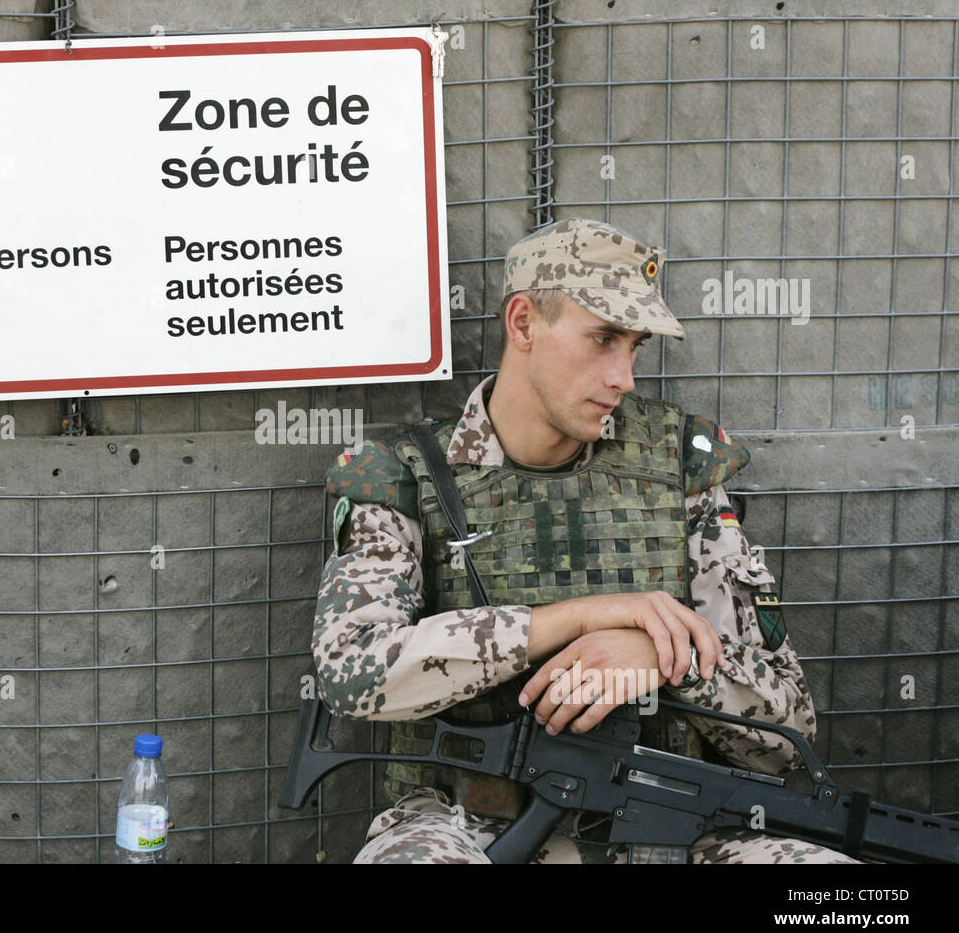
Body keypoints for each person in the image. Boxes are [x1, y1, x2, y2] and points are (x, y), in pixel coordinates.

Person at [311, 217, 856, 863]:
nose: (624, 377)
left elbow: (788, 733)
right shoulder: (406, 473)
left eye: (634, 347)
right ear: (523, 324)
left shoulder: (679, 467)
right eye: (603, 340)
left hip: (669, 829)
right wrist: (577, 621)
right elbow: (351, 671)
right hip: (467, 825)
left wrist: (662, 656)